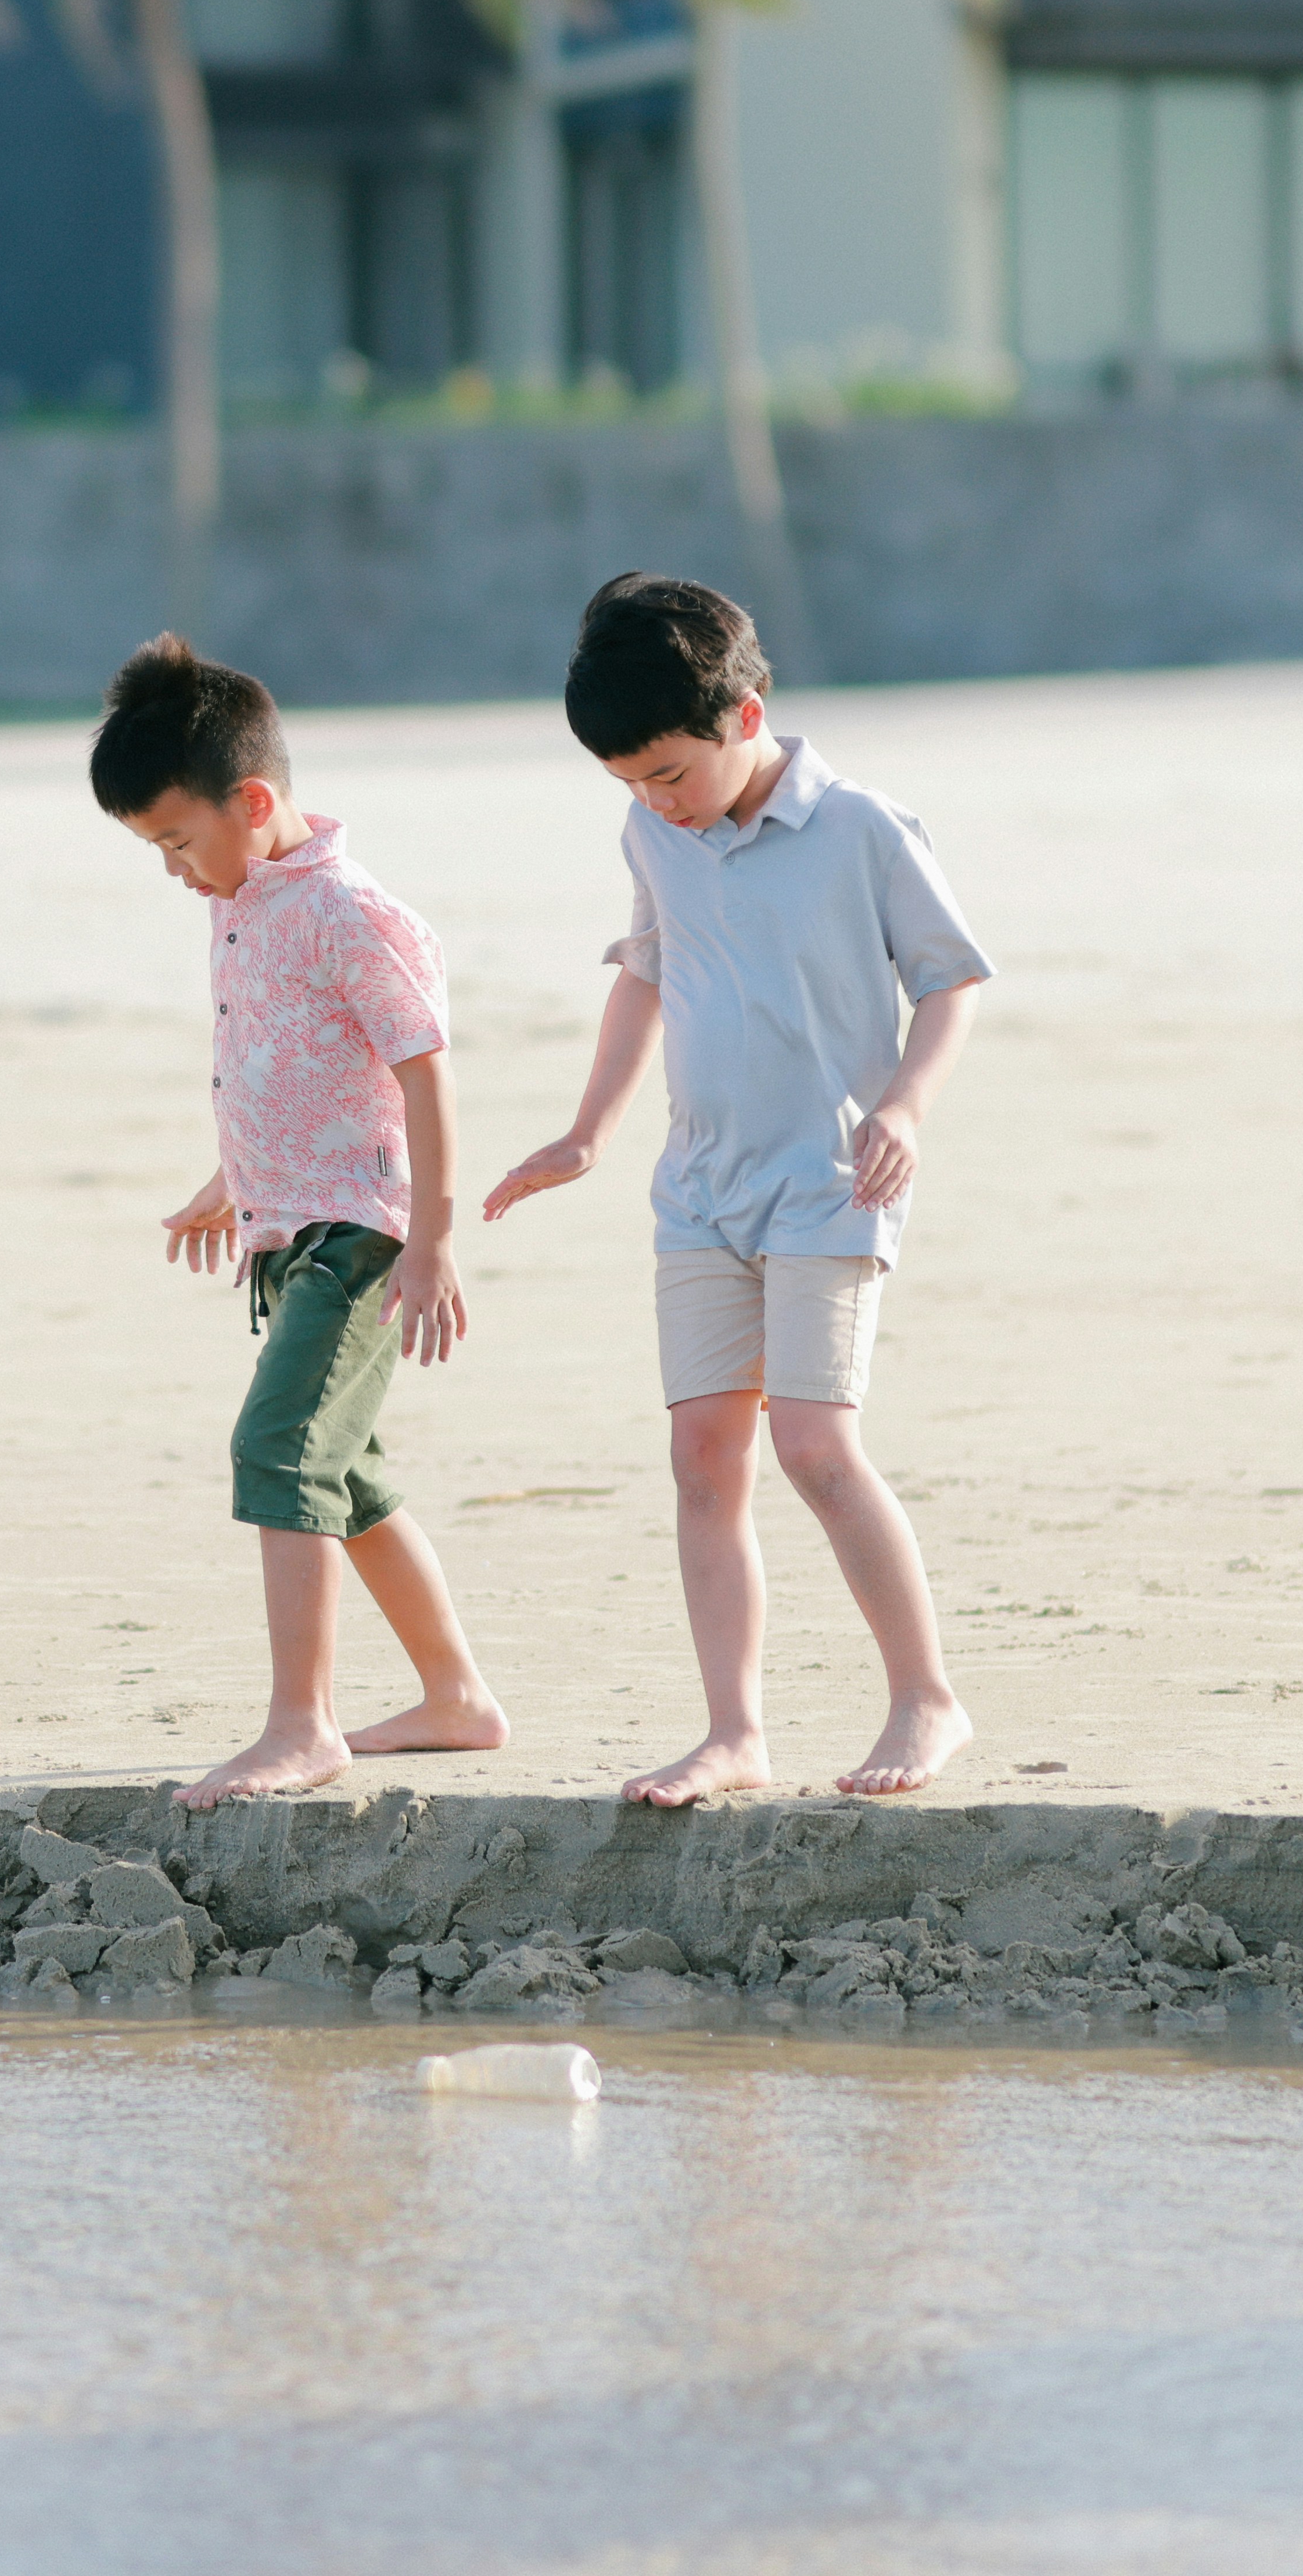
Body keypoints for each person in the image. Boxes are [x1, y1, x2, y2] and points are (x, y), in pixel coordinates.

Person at [483, 574, 992, 1803]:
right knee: (704, 1455)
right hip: (700, 1186)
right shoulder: (653, 831)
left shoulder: (862, 825)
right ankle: (734, 1732)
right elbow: (646, 974)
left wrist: (907, 1110)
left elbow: (951, 981)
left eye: (667, 772)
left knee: (815, 1445)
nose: (654, 800)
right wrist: (585, 1130)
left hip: (831, 1175)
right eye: (628, 784)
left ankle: (927, 1699)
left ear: (745, 715)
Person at [89, 636, 507, 1810]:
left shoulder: (349, 911)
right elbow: (284, 1064)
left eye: (177, 838)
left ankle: (301, 1722)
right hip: (293, 1224)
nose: (173, 868)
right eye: (154, 850)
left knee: (277, 1451)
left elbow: (421, 1073)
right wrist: (230, 1179)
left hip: (361, 1236)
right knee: (348, 1477)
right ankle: (457, 1696)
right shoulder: (240, 900)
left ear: (255, 800)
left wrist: (429, 1242)